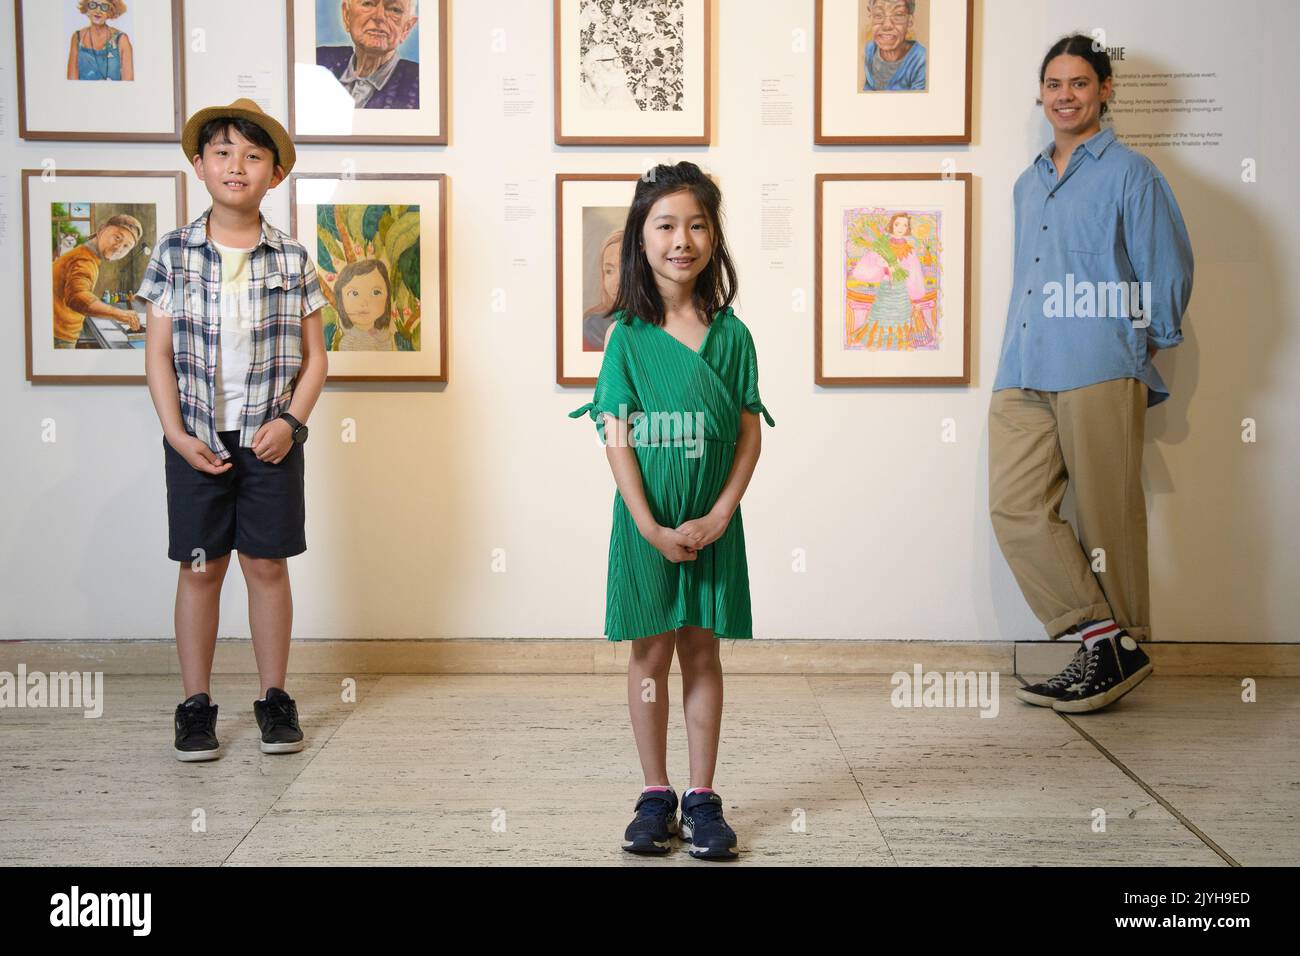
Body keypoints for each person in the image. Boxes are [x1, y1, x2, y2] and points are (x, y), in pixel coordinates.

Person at [568, 161, 775, 859]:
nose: (681, 238)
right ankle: (655, 793)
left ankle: (703, 795)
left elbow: (749, 434)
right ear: (640, 238)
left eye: (696, 223)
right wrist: (649, 525)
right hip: (645, 524)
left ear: (713, 237)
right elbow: (616, 435)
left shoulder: (733, 335)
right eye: (665, 225)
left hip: (714, 522)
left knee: (703, 652)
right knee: (649, 653)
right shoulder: (626, 336)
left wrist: (720, 514)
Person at [989, 36, 1193, 713]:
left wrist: (1142, 345)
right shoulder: (1027, 182)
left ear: (1105, 90)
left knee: (1108, 514)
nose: (1065, 95)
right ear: (1041, 93)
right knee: (1015, 507)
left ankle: (1122, 644)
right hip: (1023, 363)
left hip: (1098, 362)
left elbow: (1166, 266)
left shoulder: (1132, 174)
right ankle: (1105, 639)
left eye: (1080, 83)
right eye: (1054, 83)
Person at [137, 99, 329, 761]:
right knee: (200, 570)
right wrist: (176, 434)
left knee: (267, 566)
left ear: (274, 175)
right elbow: (158, 354)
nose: (236, 165)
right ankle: (195, 707)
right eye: (222, 152)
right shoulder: (173, 254)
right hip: (196, 440)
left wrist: (290, 423)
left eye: (253, 155)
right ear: (199, 164)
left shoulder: (293, 259)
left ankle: (275, 699)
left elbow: (316, 360)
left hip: (269, 440)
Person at [52, 214, 143, 348]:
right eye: (117, 237)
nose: (119, 248)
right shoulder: (85, 260)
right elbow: (77, 297)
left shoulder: (85, 254)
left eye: (126, 246)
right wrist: (120, 314)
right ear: (101, 229)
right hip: (59, 335)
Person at [317, 0, 420, 110]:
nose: (378, 16)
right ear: (347, 16)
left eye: (394, 9)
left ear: (406, 28)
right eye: (368, 3)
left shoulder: (422, 84)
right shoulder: (318, 61)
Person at [334, 257, 396, 350]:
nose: (364, 303)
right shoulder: (348, 342)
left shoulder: (385, 337)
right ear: (341, 299)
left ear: (387, 296)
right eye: (354, 293)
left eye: (376, 292)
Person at [862, 0, 926, 92]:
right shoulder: (870, 50)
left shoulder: (921, 59)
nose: (887, 26)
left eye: (898, 15)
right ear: (871, 16)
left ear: (910, 21)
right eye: (878, 15)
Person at [67, 0, 134, 82]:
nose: (98, 11)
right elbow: (71, 83)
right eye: (93, 5)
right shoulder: (77, 37)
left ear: (111, 11)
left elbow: (128, 85)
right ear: (86, 7)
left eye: (104, 6)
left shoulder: (122, 39)